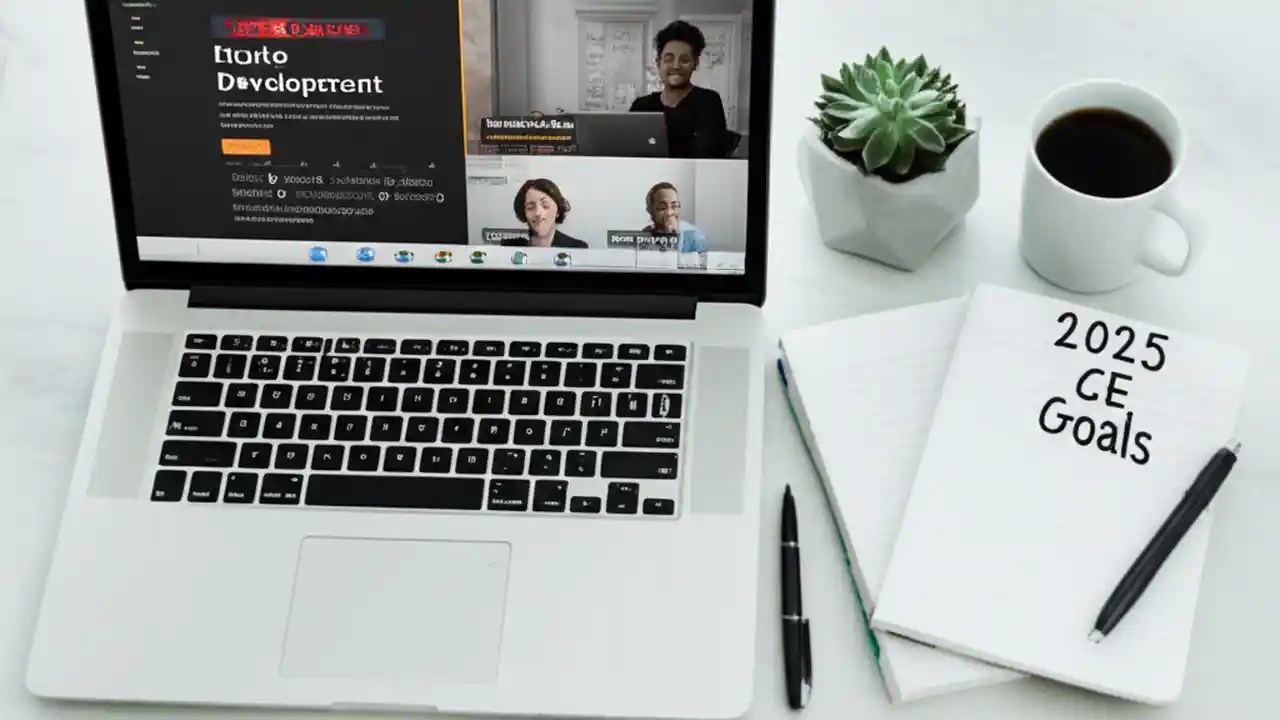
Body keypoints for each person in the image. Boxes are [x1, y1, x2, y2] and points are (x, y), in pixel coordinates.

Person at [628, 20, 730, 159]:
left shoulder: (708, 102)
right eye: (668, 59)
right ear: (658, 63)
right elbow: (629, 154)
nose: (676, 66)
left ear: (696, 63)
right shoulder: (641, 106)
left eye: (684, 60)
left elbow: (712, 154)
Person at [503, 178, 588, 248]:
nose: (538, 213)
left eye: (545, 205)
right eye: (530, 207)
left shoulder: (577, 248)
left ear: (558, 211)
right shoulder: (509, 248)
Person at [643, 182, 707, 253]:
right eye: (662, 208)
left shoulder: (693, 235)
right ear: (650, 210)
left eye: (674, 206)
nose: (669, 212)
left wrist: (674, 235)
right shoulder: (644, 236)